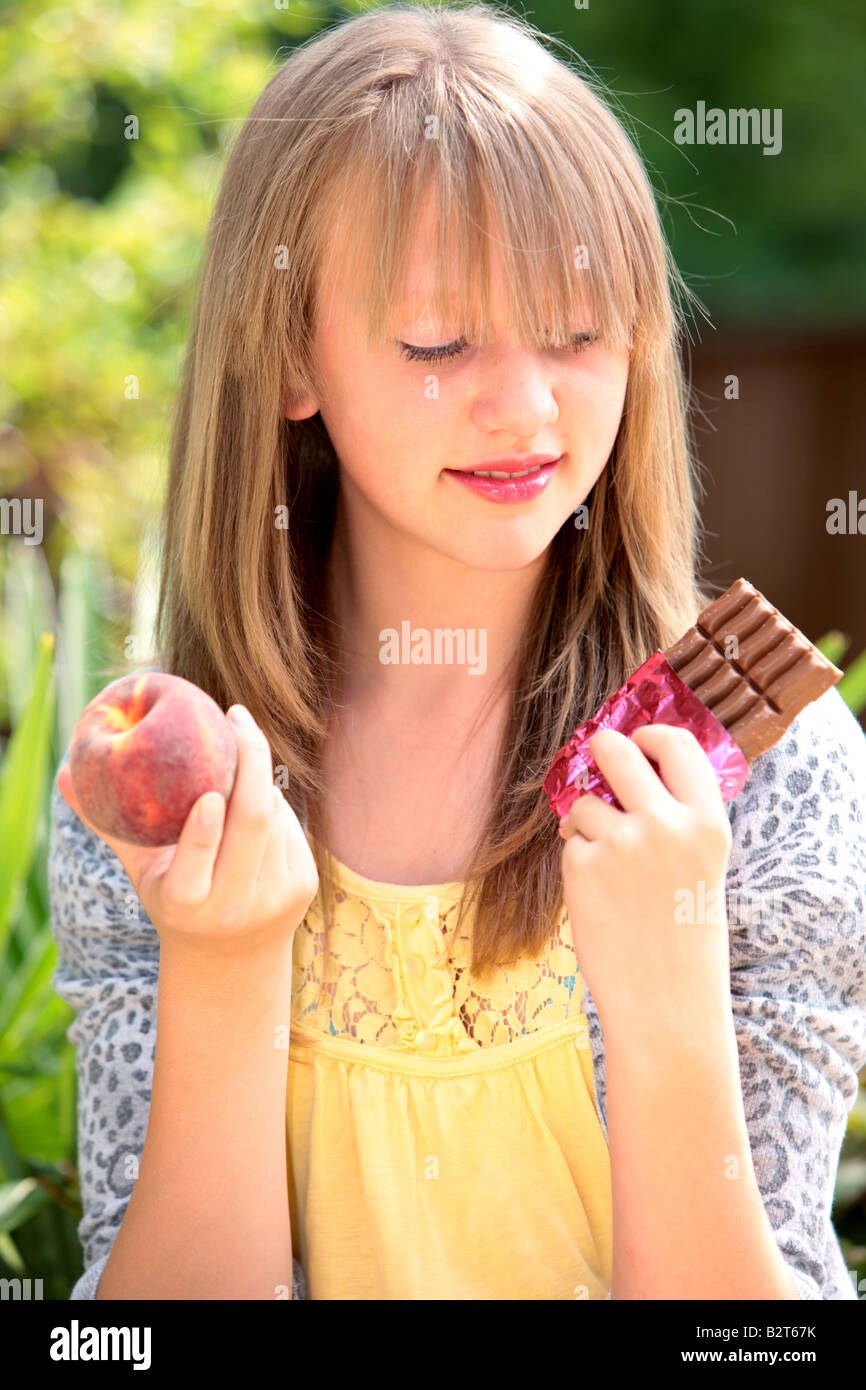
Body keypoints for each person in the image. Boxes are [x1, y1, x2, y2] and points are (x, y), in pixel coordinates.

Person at [49, 1, 866, 1300]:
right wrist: (220, 963)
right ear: (286, 355)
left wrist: (664, 1008)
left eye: (580, 332)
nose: (526, 407)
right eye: (438, 342)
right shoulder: (168, 800)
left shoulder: (769, 768)